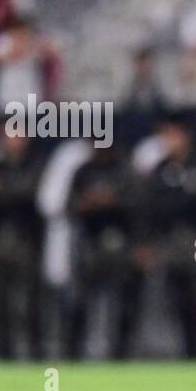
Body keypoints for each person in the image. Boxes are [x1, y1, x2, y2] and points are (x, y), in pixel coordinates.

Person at [136, 117, 196, 358]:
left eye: (174, 135)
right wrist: (147, 243)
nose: (169, 141)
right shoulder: (159, 170)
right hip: (171, 242)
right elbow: (147, 211)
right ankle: (185, 353)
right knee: (177, 298)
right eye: (165, 135)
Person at [66, 146, 143, 360]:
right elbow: (68, 206)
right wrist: (87, 203)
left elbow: (139, 205)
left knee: (123, 303)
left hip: (120, 242)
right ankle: (73, 355)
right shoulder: (83, 171)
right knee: (80, 302)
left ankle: (121, 355)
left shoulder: (125, 170)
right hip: (90, 245)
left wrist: (111, 200)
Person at [0, 123, 47, 359]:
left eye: (18, 134)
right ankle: (3, 354)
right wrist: (3, 194)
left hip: (28, 243)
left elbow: (29, 196)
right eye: (8, 135)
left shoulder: (37, 165)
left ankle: (36, 354)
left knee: (31, 302)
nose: (13, 140)